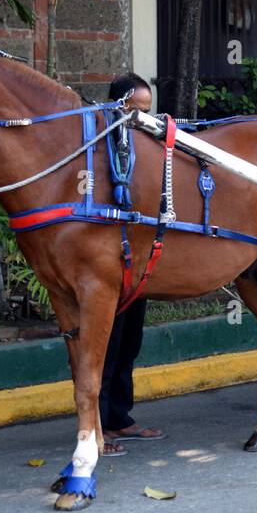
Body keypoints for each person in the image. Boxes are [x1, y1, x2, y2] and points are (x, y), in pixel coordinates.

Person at [100, 74, 164, 456]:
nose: (142, 119)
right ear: (117, 106)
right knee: (105, 345)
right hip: (108, 261)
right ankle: (99, 424)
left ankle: (121, 418)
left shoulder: (145, 149)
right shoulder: (102, 145)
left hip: (136, 259)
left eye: (147, 111)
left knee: (129, 342)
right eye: (135, 111)